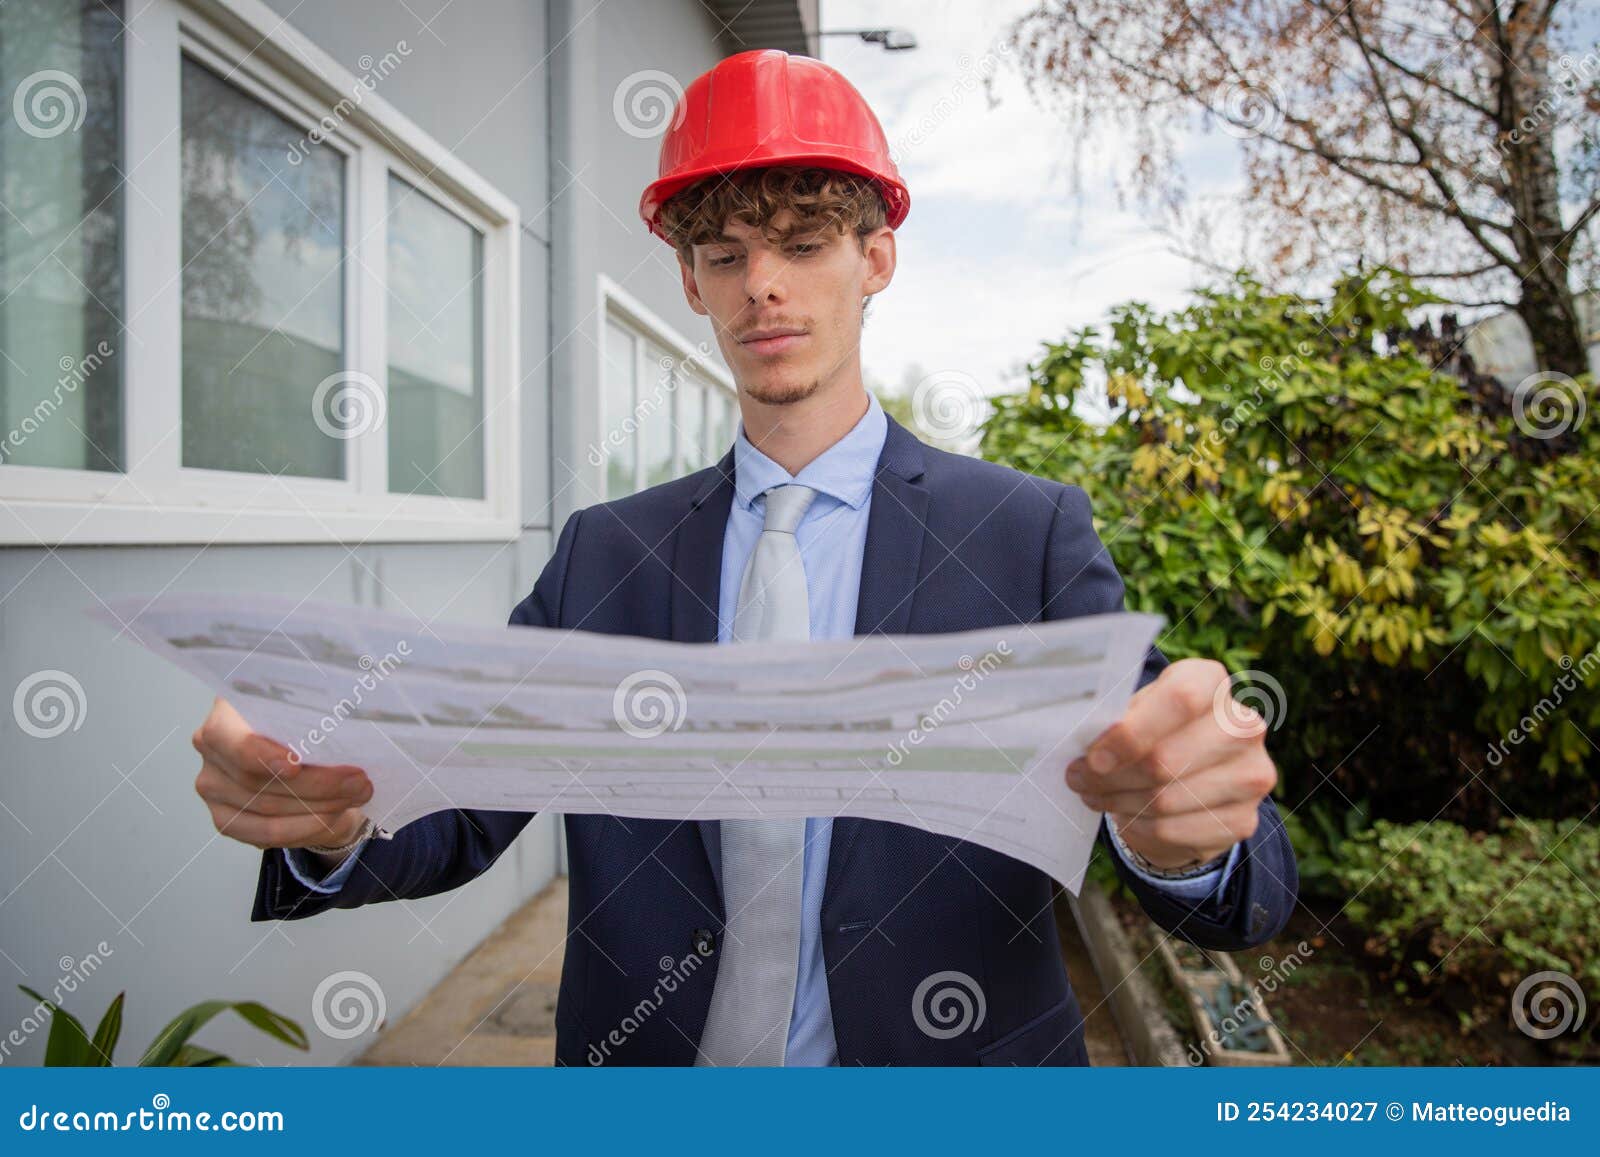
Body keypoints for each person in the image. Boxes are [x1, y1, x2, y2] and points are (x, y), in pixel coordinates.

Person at [192, 49, 1296, 1066]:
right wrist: (337, 822)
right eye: (726, 255)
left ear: (876, 258)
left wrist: (1180, 833)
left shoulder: (1023, 531)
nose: (762, 283)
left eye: (804, 246)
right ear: (691, 283)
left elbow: (1192, 822)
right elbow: (465, 799)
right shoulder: (606, 553)